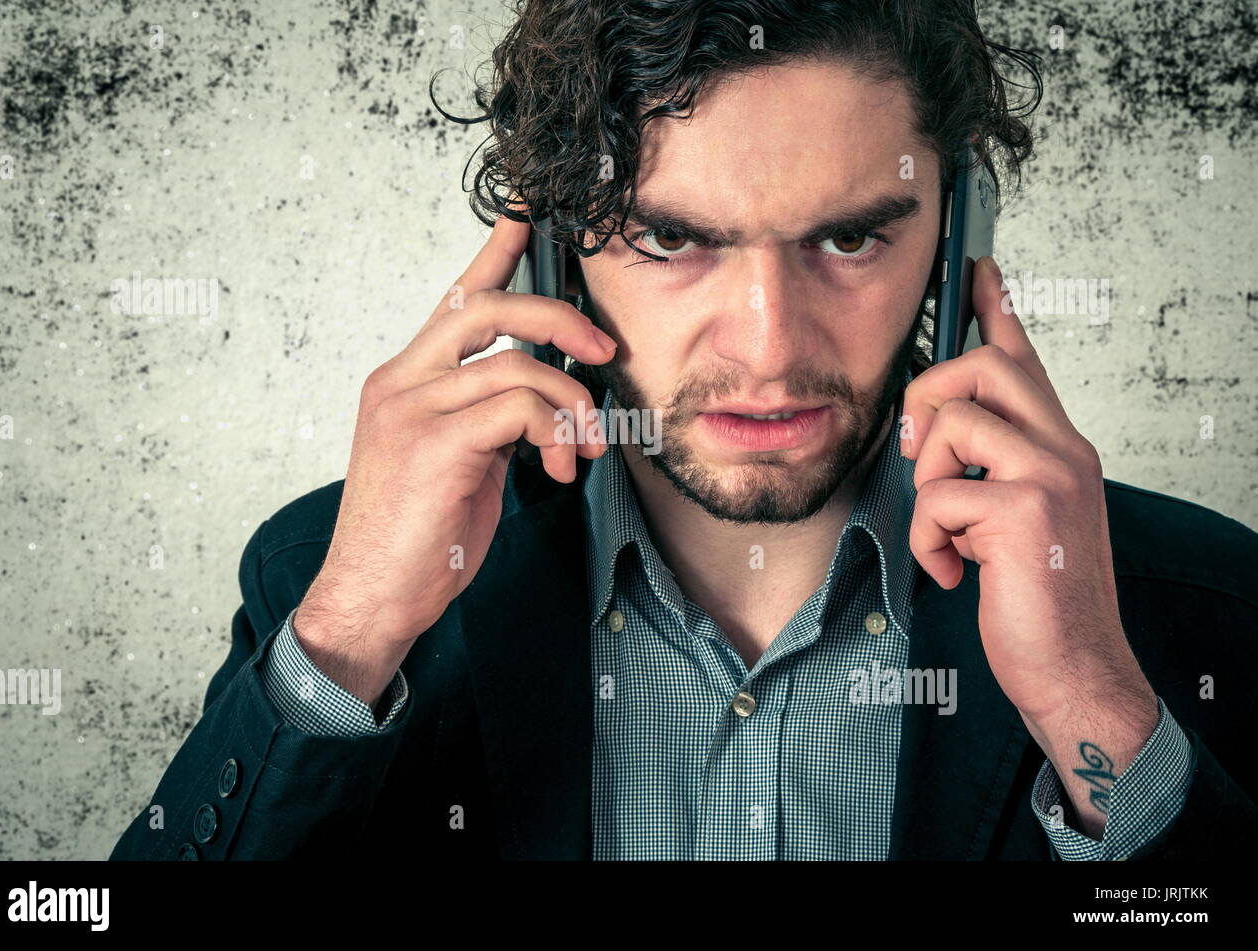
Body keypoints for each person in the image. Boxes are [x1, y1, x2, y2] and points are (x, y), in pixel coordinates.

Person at [111, 0, 1257, 861]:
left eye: (849, 240)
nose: (765, 348)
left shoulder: (1196, 602)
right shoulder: (328, 576)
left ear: (957, 241)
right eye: (671, 241)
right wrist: (348, 634)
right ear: (554, 248)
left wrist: (1093, 705)